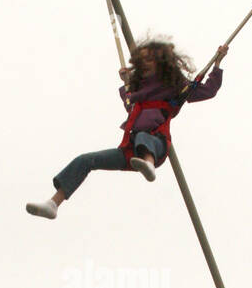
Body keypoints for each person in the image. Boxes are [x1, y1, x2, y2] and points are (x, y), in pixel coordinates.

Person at [26, 38, 228, 218]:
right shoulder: (137, 90)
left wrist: (217, 64)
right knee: (85, 160)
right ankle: (53, 203)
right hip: (129, 150)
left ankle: (148, 163)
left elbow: (207, 90)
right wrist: (127, 83)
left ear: (161, 63)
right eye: (143, 61)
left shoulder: (173, 86)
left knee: (143, 136)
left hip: (156, 143)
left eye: (150, 60)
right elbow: (131, 108)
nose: (145, 64)